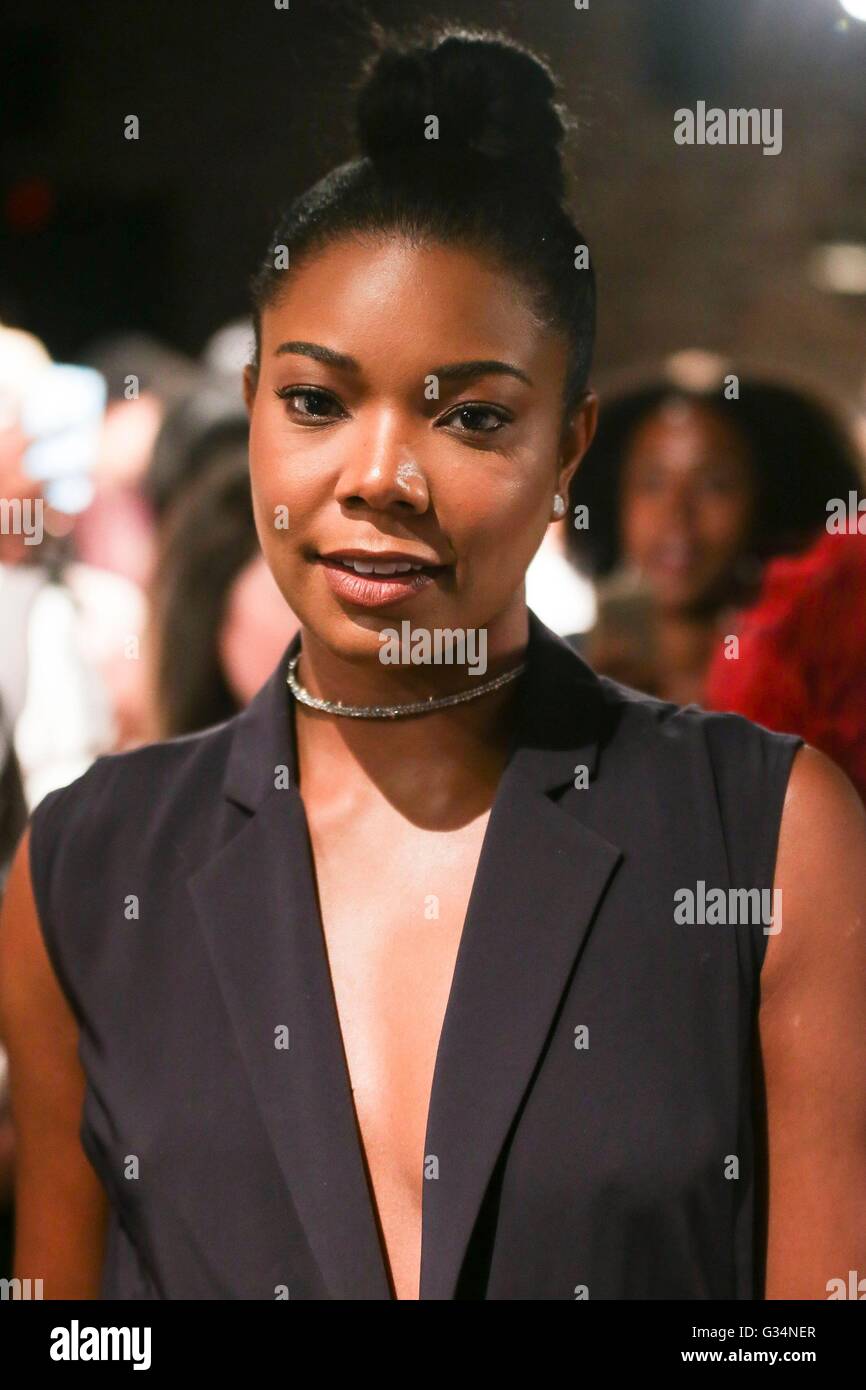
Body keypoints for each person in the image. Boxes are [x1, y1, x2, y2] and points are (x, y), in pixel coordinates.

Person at [1, 24, 865, 1302]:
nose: (377, 478)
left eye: (471, 416)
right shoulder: (85, 867)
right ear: (250, 411)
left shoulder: (765, 836)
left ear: (568, 450)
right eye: (314, 401)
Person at [568, 368, 863, 704]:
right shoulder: (553, 678)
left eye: (714, 485)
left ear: (768, 502)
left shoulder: (821, 687)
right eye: (651, 483)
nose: (676, 515)